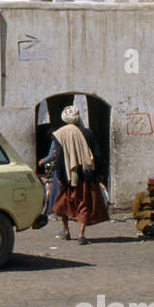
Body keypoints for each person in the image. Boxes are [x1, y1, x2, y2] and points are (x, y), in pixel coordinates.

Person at [47, 104, 109, 244]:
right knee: (84, 203)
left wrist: (61, 176)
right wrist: (99, 173)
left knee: (63, 203)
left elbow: (59, 157)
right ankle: (81, 234)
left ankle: (66, 230)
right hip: (86, 175)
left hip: (68, 175)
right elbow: (97, 154)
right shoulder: (88, 133)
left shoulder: (59, 134)